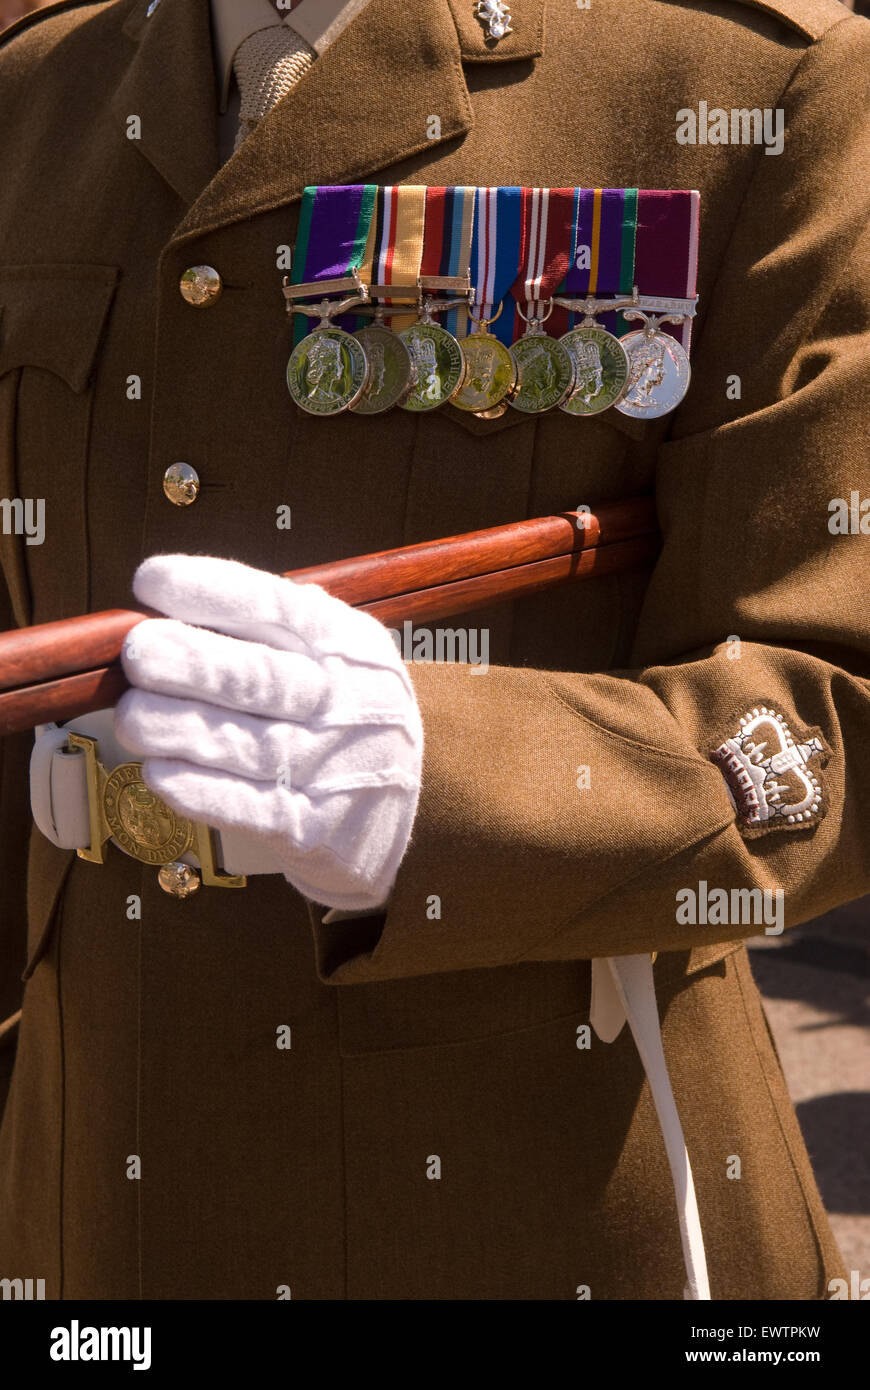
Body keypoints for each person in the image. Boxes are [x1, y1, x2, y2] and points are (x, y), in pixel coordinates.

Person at [0, 0, 867, 1301]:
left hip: (538, 1199)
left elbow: (825, 711)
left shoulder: (747, 79)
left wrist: (454, 781)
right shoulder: (37, 93)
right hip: (91, 1198)